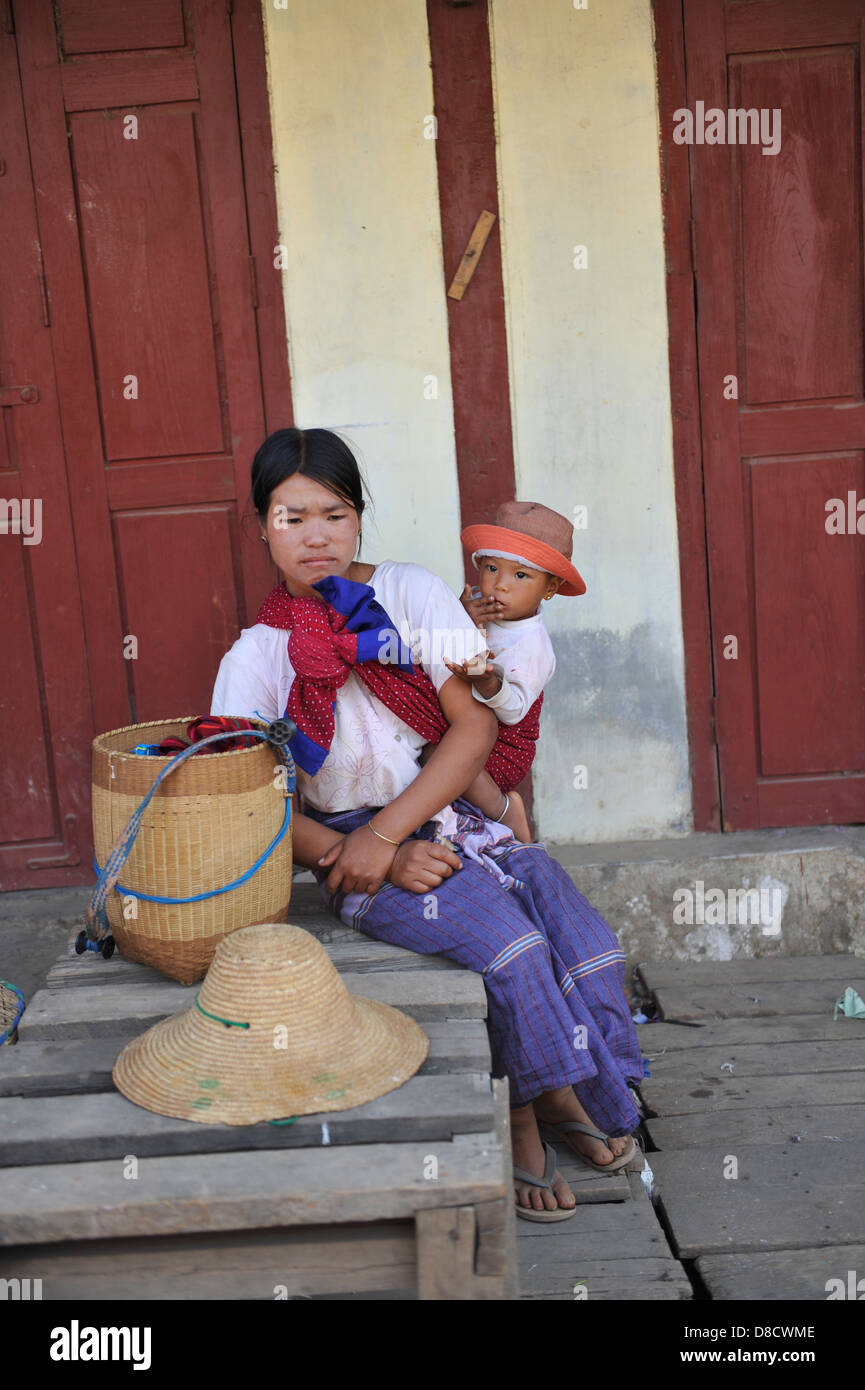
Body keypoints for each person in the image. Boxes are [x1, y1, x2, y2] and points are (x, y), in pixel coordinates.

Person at [210, 427, 645, 1221]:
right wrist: (363, 847)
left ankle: (565, 1090)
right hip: (348, 847)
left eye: (334, 515)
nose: (316, 536)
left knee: (587, 941)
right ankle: (521, 1120)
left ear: (359, 517)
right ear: (260, 526)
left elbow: (472, 728)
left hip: (448, 817)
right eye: (291, 516)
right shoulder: (256, 657)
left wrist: (395, 832)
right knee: (510, 953)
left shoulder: (407, 593)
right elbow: (244, 803)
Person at [426, 499, 586, 836]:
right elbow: (435, 650)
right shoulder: (477, 611)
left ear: (551, 588)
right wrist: (459, 620)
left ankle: (503, 809)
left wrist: (487, 684)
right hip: (463, 726)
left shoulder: (534, 647)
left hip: (503, 745)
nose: (501, 584)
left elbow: (513, 712)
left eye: (521, 575)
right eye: (492, 568)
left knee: (438, 756)